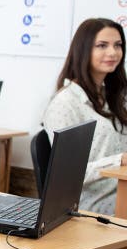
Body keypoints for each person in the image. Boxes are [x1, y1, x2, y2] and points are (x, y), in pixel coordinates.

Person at [42, 18, 127, 215]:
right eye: (102, 46)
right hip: (94, 205)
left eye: (118, 45)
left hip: (121, 191)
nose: (113, 52)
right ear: (84, 50)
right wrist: (118, 161)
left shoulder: (113, 97)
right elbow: (65, 173)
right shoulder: (65, 104)